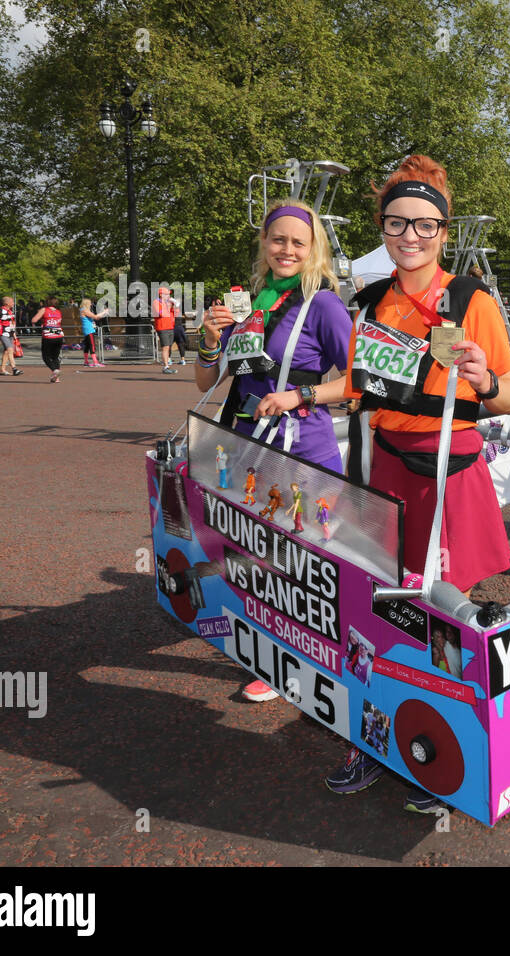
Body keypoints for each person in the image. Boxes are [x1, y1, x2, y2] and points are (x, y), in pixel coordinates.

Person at [327, 154, 510, 811]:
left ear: (444, 228)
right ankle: (378, 736)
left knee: (443, 615)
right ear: (382, 227)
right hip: (385, 468)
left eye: (424, 224)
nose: (409, 236)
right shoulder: (370, 302)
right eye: (396, 223)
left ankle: (452, 755)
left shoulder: (470, 299)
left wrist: (482, 377)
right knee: (380, 604)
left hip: (449, 469)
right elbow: (357, 390)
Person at [197, 198, 355, 701]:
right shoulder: (247, 302)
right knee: (256, 555)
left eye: (297, 242)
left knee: (306, 560)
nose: (286, 249)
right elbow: (208, 379)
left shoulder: (324, 303)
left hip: (303, 447)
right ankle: (271, 650)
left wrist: (300, 394)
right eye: (277, 239)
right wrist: (208, 338)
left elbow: (360, 381)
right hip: (244, 444)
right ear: (264, 243)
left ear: (314, 249)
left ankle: (309, 663)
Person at [30, 295, 65, 382]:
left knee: (45, 356)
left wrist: (42, 320)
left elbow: (33, 320)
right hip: (59, 335)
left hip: (48, 335)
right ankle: (56, 378)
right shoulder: (58, 311)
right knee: (55, 357)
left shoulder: (44, 310)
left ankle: (54, 370)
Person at [153, 285, 181, 373]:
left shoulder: (168, 303)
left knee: (168, 347)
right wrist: (168, 306)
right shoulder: (156, 302)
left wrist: (176, 306)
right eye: (167, 294)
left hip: (170, 326)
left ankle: (167, 365)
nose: (169, 296)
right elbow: (160, 313)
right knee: (165, 347)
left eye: (169, 294)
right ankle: (165, 367)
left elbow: (176, 314)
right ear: (161, 295)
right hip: (162, 327)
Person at [0, 296, 21, 376]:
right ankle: (14, 368)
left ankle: (2, 370)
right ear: (6, 303)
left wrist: (14, 334)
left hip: (11, 334)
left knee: (6, 352)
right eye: (12, 302)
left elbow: (12, 323)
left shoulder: (10, 311)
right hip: (3, 333)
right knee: (10, 349)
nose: (13, 303)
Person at [78, 298, 106, 367]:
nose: (91, 304)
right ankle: (95, 362)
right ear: (86, 303)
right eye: (90, 303)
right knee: (92, 345)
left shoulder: (83, 310)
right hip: (89, 330)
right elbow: (95, 317)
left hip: (87, 329)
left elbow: (96, 317)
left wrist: (102, 314)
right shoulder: (84, 310)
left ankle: (86, 361)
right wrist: (104, 312)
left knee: (87, 346)